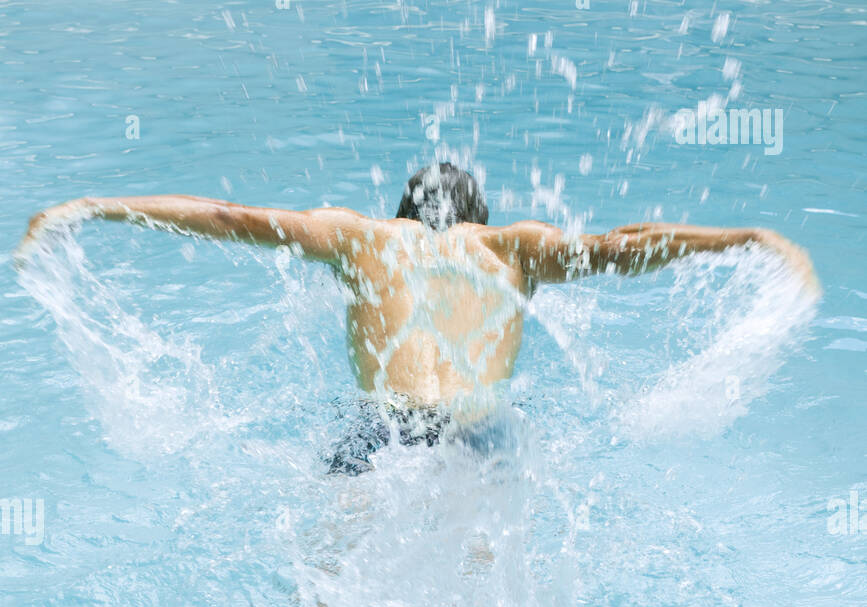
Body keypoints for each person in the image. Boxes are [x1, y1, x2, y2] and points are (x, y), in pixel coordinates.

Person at [17, 161, 818, 473]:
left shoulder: (359, 237)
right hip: (480, 436)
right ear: (478, 211)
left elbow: (224, 216)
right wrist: (740, 238)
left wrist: (96, 205)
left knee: (328, 599)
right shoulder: (514, 247)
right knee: (498, 598)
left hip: (378, 439)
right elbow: (623, 246)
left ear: (399, 208)